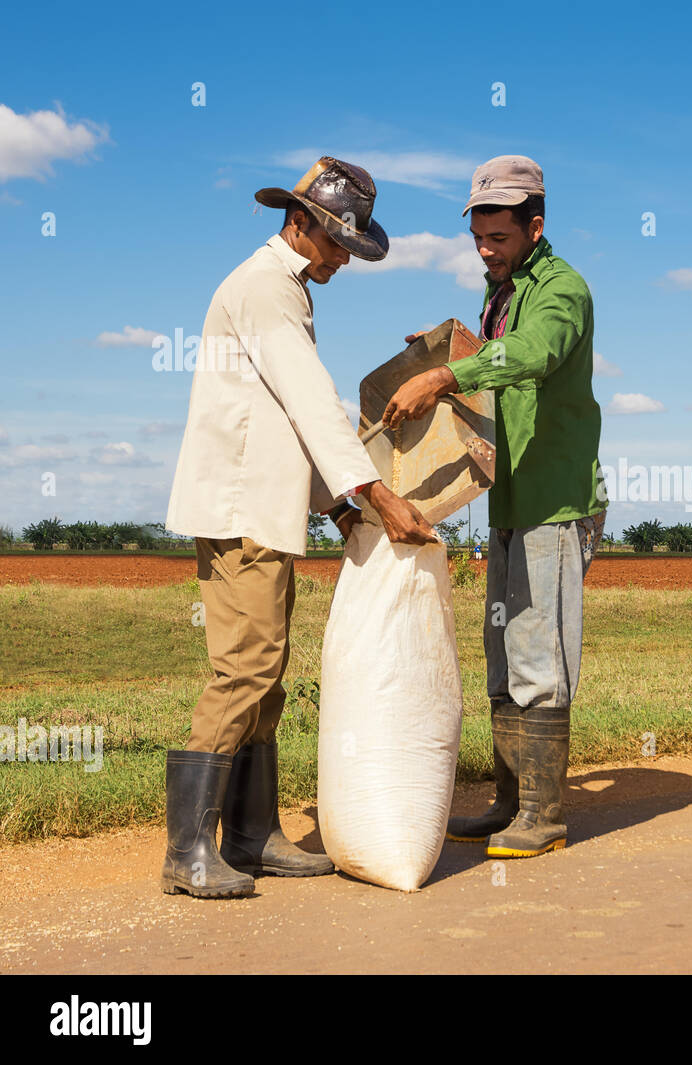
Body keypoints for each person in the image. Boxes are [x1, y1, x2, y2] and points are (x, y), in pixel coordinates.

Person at [162, 157, 436, 898]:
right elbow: (314, 403)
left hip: (265, 511)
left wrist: (338, 506)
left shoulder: (283, 289)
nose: (345, 257)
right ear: (302, 222)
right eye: (340, 242)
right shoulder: (264, 287)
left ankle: (250, 836)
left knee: (267, 680)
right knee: (244, 671)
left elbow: (289, 421)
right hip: (240, 512)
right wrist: (376, 496)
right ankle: (187, 851)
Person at [385, 155, 605, 859]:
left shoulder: (561, 289)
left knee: (539, 648)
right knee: (504, 650)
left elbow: (535, 355)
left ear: (535, 226)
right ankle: (511, 801)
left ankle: (544, 813)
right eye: (479, 237)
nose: (486, 249)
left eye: (499, 238)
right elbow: (497, 360)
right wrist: (446, 349)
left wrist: (451, 372)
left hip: (555, 496)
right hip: (507, 493)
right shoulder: (499, 293)